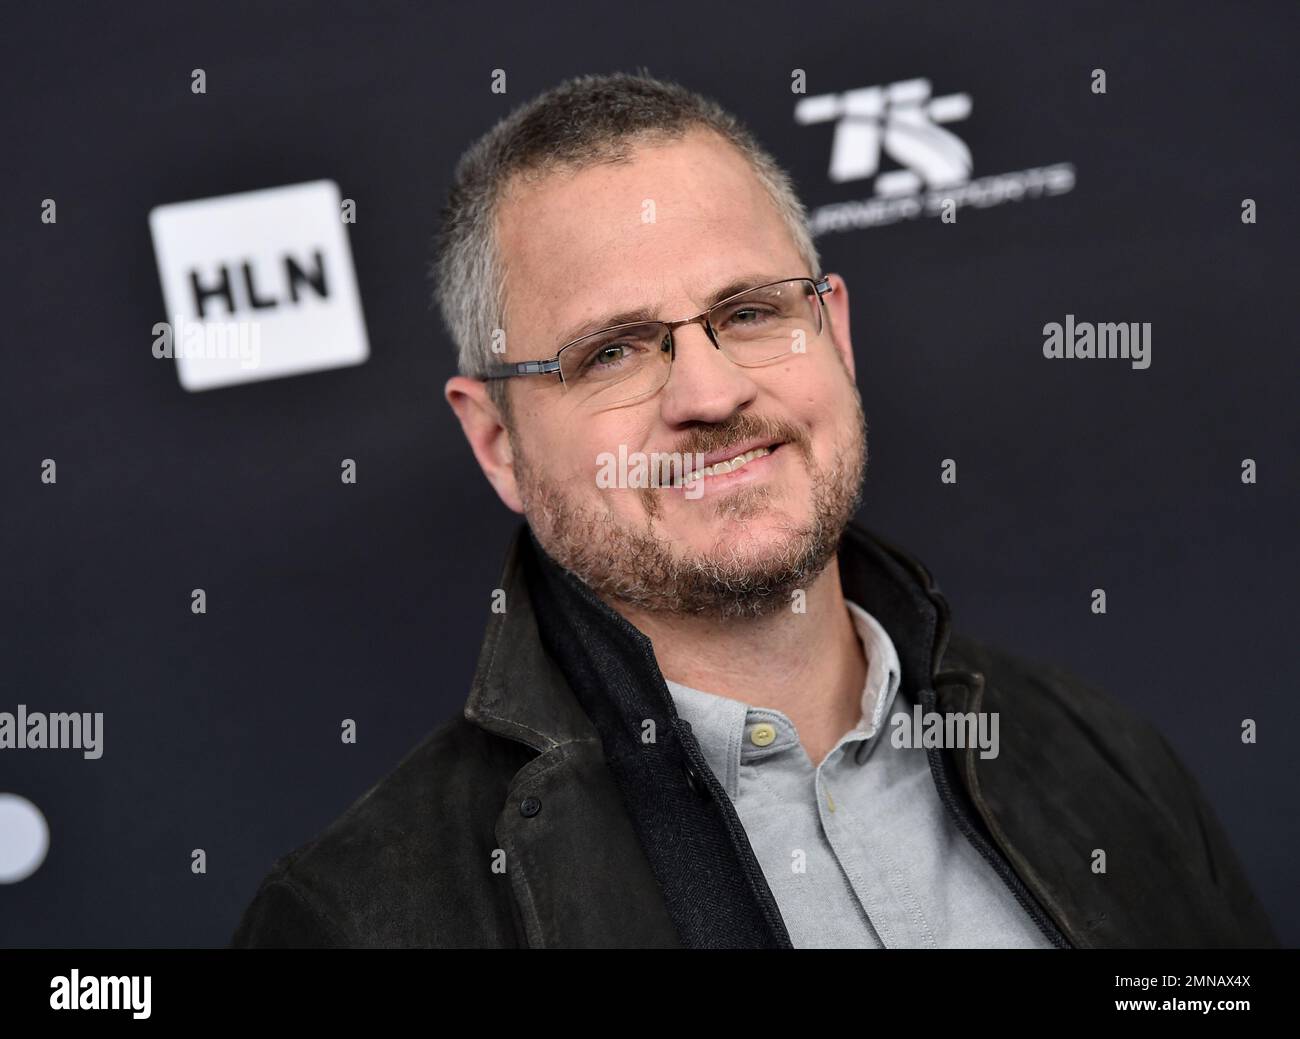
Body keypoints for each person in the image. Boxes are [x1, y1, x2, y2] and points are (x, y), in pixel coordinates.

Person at [230, 71, 1276, 949]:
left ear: (836, 335)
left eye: (748, 312)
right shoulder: (359, 922)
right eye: (613, 352)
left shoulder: (1099, 758)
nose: (711, 392)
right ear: (497, 441)